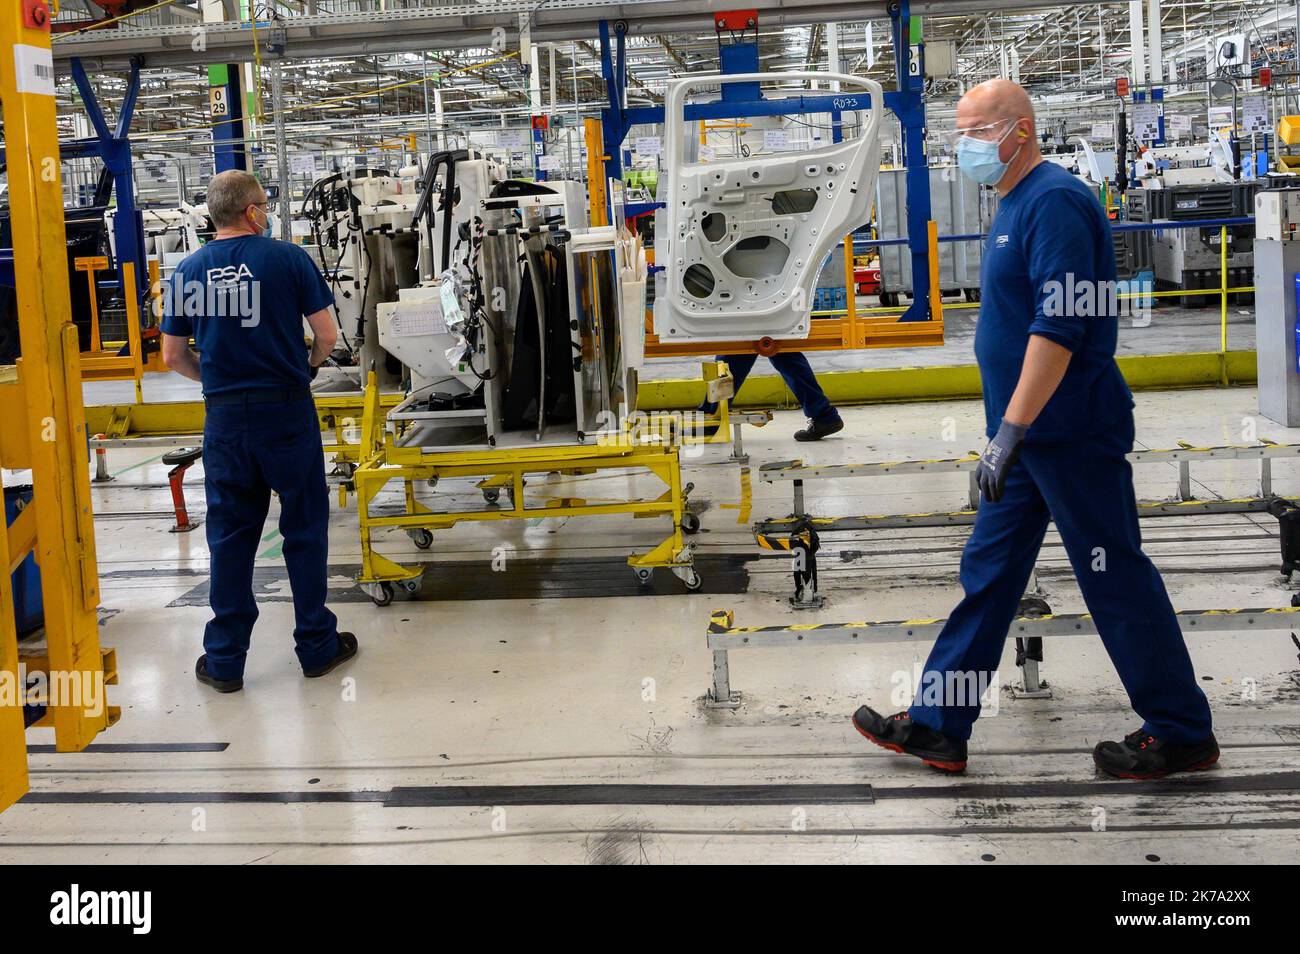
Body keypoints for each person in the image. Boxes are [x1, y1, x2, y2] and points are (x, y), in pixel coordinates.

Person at [852, 79, 1216, 780]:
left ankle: (1181, 729)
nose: (965, 147)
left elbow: (1060, 328)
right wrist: (1010, 435)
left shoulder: (1054, 201)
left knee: (1114, 576)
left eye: (977, 131)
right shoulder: (1014, 200)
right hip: (1025, 441)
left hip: (1069, 433)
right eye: (958, 133)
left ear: (1020, 130)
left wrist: (1009, 430)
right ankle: (939, 724)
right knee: (988, 576)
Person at [161, 169, 357, 693]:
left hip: (225, 420)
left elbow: (173, 356)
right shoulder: (288, 259)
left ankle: (224, 661)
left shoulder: (187, 271)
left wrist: (221, 382)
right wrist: (307, 367)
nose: (266, 213)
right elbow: (327, 334)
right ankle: (316, 646)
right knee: (304, 529)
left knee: (229, 537)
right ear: (251, 212)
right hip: (286, 413)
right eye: (265, 205)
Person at [700, 352, 843, 441]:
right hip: (767, 313)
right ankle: (824, 416)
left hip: (754, 314)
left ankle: (712, 419)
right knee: (784, 355)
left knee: (732, 354)